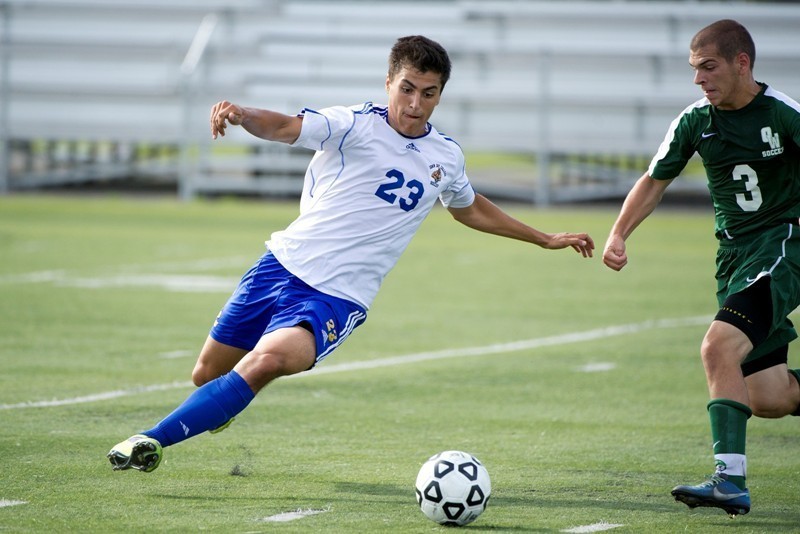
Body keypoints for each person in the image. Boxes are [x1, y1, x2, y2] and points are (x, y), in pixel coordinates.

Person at [107, 35, 595, 474]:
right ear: (389, 83)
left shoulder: (445, 156)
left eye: (428, 93)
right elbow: (284, 127)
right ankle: (218, 407)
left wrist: (544, 238)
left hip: (339, 297)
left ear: (440, 95)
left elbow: (468, 208)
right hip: (279, 267)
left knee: (267, 362)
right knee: (207, 375)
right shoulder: (352, 125)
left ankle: (151, 440)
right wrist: (242, 114)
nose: (416, 103)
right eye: (407, 88)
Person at [603, 19, 800, 517]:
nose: (699, 79)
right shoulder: (695, 120)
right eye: (694, 70)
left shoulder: (784, 114)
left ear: (742, 63)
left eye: (708, 67)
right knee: (769, 397)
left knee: (717, 347)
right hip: (733, 259)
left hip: (784, 246)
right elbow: (654, 180)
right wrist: (619, 233)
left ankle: (729, 481)